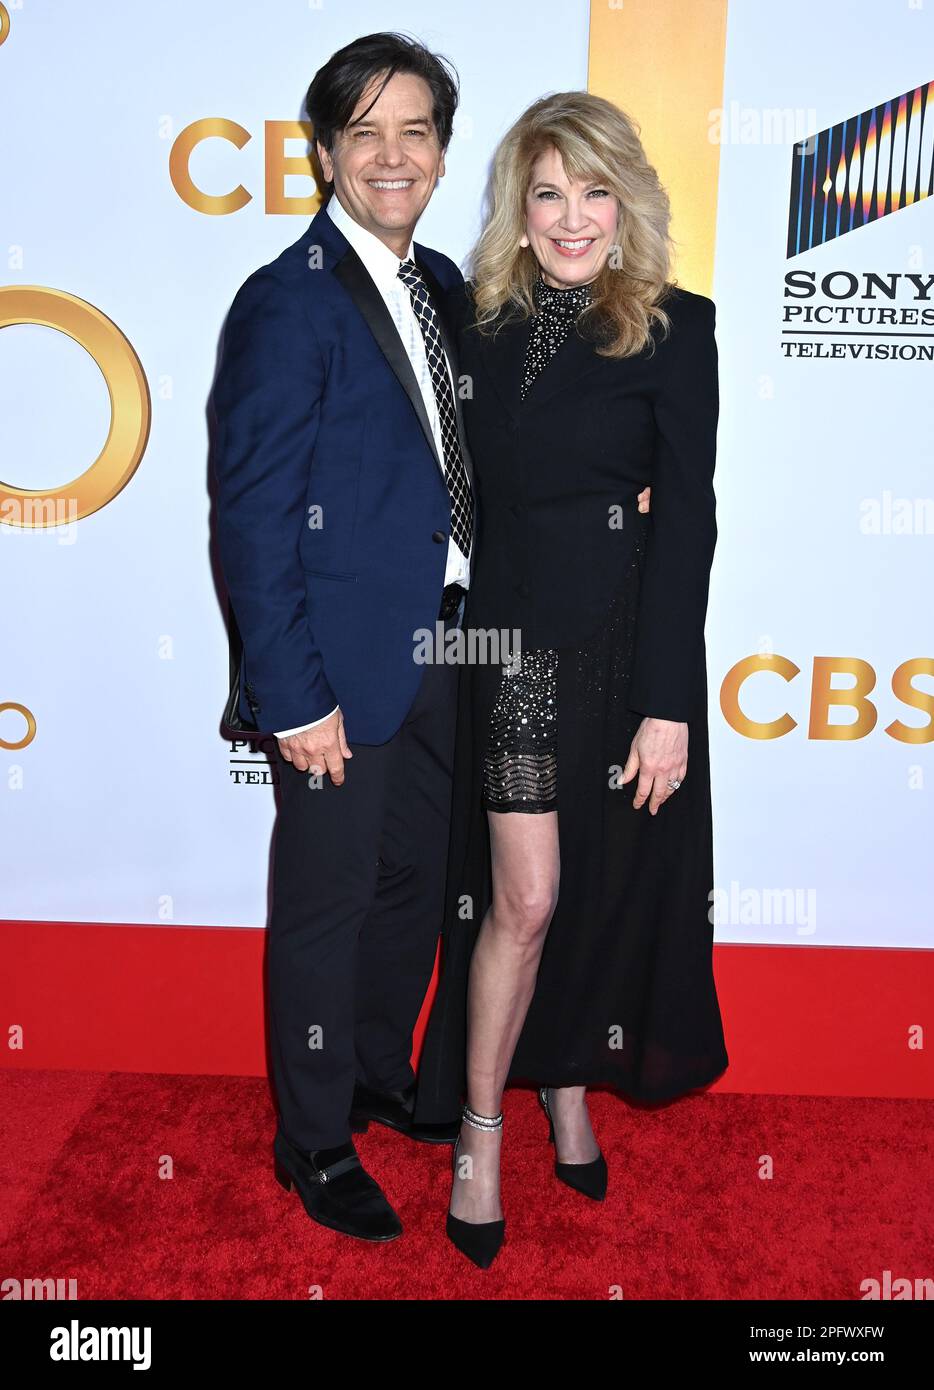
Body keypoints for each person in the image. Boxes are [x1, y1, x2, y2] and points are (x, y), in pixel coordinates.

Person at [413, 91, 730, 1268]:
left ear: (627, 200)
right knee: (526, 900)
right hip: (508, 654)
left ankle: (569, 1087)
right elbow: (445, 483)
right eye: (547, 192)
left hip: (623, 656)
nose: (571, 216)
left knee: (596, 887)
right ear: (519, 203)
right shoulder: (470, 322)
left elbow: (689, 520)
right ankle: (482, 1134)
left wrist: (668, 704)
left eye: (593, 191)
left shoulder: (674, 327)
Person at [211, 33, 474, 1243]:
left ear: (438, 152)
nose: (390, 154)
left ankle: (374, 1071)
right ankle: (313, 1137)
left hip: (447, 658)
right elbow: (253, 520)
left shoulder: (447, 292)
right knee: (324, 908)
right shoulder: (285, 300)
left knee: (412, 890)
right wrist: (292, 694)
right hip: (334, 676)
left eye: (412, 131)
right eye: (363, 131)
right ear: (323, 153)